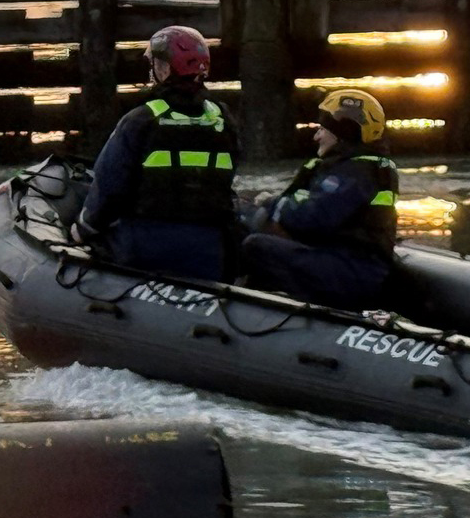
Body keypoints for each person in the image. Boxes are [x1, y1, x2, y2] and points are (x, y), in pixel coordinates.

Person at [71, 25, 238, 280]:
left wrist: (81, 229)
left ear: (165, 68)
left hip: (145, 247)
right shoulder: (223, 119)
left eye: (157, 64)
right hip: (208, 251)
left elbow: (109, 187)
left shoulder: (140, 120)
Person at [239, 89, 399, 310]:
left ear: (342, 133)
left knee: (255, 246)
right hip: (345, 262)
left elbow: (313, 218)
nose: (316, 137)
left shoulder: (355, 173)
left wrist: (271, 204)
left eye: (322, 129)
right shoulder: (351, 168)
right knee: (245, 220)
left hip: (351, 271)